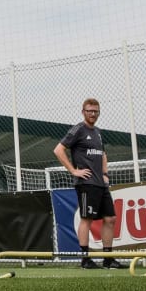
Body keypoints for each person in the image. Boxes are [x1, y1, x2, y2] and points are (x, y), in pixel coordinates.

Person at [53, 98, 121, 269]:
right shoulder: (78, 129)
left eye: (95, 111)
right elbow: (58, 150)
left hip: (101, 183)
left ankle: (107, 259)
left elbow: (103, 154)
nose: (92, 114)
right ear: (83, 111)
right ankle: (85, 259)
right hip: (86, 183)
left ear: (99, 112)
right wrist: (74, 171)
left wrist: (105, 173)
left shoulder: (98, 132)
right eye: (89, 111)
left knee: (110, 218)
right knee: (87, 218)